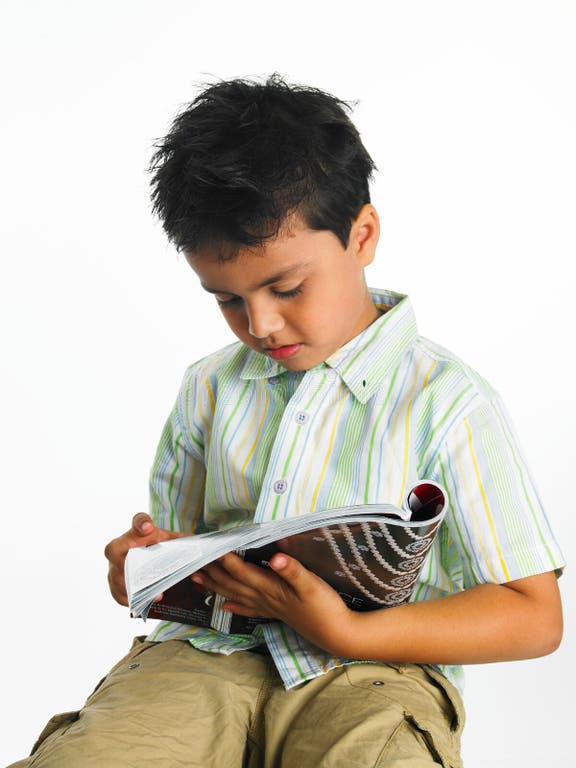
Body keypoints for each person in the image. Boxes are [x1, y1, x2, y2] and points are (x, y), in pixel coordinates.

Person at [10, 74, 564, 768]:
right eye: (228, 300)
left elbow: (535, 616)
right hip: (205, 660)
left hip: (373, 675)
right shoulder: (209, 388)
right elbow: (178, 570)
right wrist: (141, 569)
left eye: (287, 288)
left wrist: (352, 633)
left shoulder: (450, 403)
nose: (261, 325)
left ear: (362, 236)